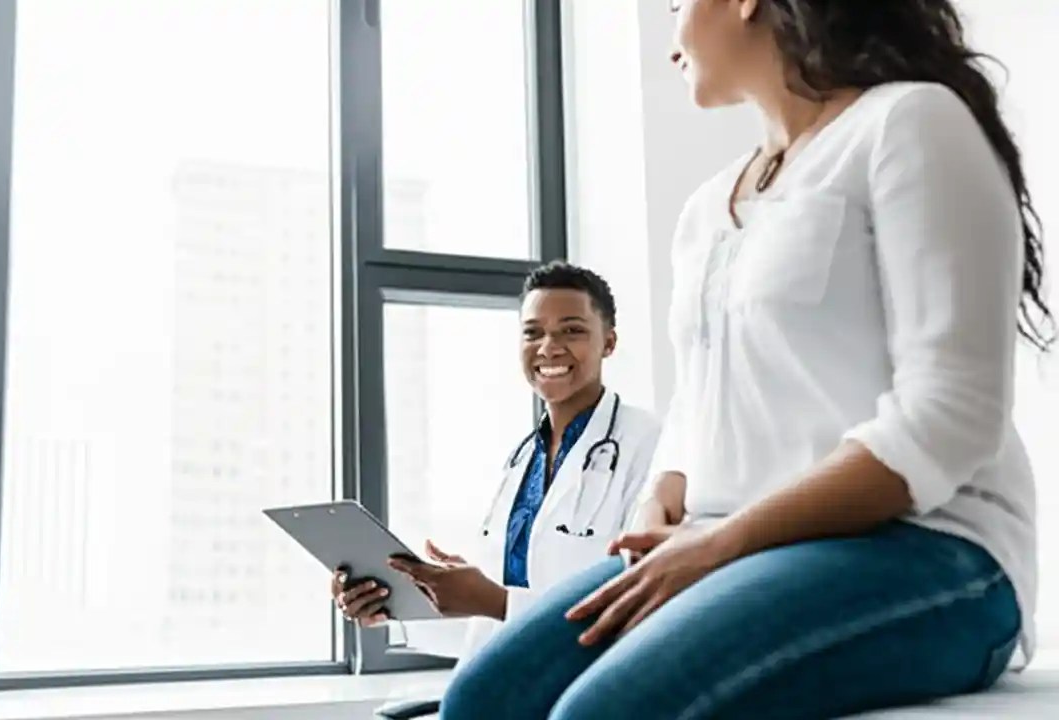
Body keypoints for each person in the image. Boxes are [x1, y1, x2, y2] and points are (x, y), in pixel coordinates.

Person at [440, 1, 1056, 718]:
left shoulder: (908, 124)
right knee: (482, 700)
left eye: (675, 5)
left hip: (928, 545)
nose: (670, 34)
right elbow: (697, 408)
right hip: (731, 542)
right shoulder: (706, 209)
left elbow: (950, 417)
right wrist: (662, 500)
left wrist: (723, 543)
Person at [331, 262, 662, 660]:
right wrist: (397, 603)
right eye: (532, 332)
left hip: (587, 686)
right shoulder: (521, 459)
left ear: (608, 343)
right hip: (502, 684)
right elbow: (488, 622)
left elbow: (643, 602)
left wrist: (493, 600)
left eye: (571, 330)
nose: (549, 347)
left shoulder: (650, 444)